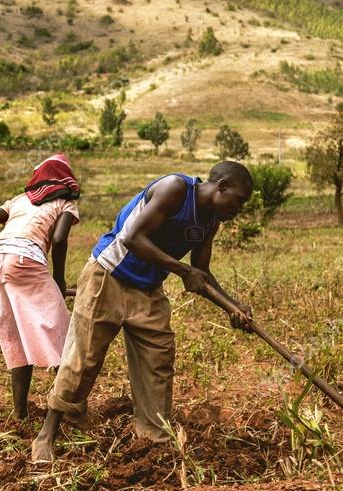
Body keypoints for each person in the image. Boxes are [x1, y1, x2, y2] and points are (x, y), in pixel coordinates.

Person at [30, 161, 255, 462]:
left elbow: (201, 272)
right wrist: (181, 269)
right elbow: (132, 238)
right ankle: (46, 435)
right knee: (85, 358)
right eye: (238, 199)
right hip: (109, 274)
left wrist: (233, 307)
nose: (238, 208)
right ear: (222, 185)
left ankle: (154, 442)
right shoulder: (175, 189)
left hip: (148, 288)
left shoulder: (210, 222)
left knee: (157, 360)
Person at [0, 153, 81, 419]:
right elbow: (58, 237)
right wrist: (59, 280)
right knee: (62, 333)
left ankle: (20, 414)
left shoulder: (19, 201)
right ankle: (67, 412)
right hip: (26, 262)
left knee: (16, 335)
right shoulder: (65, 204)